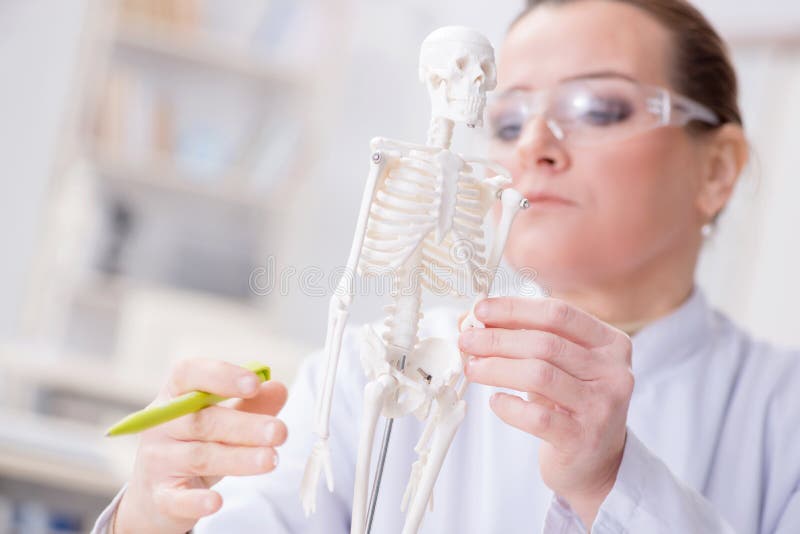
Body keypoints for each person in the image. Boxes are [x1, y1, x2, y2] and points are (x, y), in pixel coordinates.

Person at [93, 0, 800, 532]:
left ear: (718, 169)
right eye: (509, 121)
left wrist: (617, 481)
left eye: (597, 107)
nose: (537, 149)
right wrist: (152, 516)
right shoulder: (373, 373)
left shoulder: (782, 414)